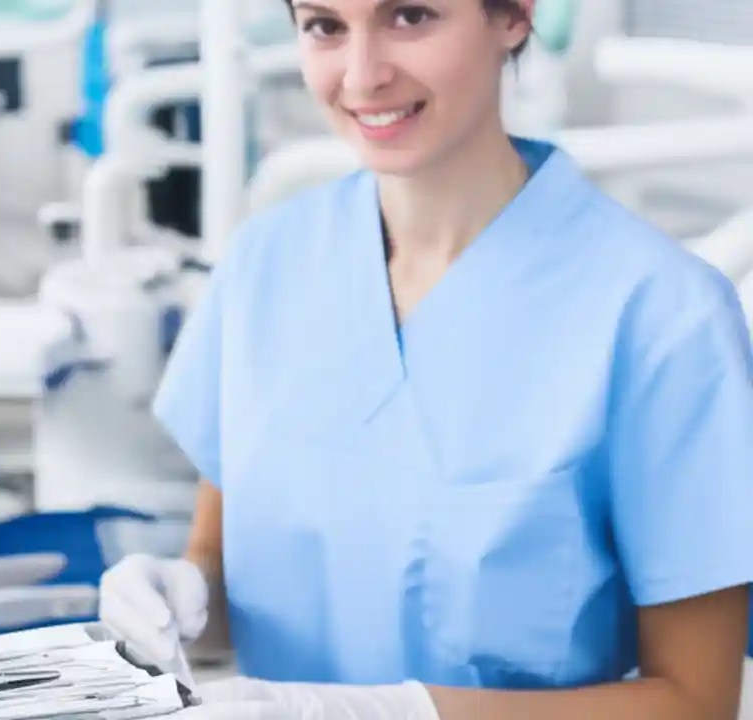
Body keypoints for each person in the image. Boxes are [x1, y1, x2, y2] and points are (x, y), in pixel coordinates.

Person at [98, 0, 753, 717]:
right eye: (325, 26)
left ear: (513, 17)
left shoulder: (663, 315)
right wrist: (178, 597)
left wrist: (404, 713)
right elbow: (224, 574)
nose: (363, 74)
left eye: (410, 16)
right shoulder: (266, 263)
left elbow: (696, 702)